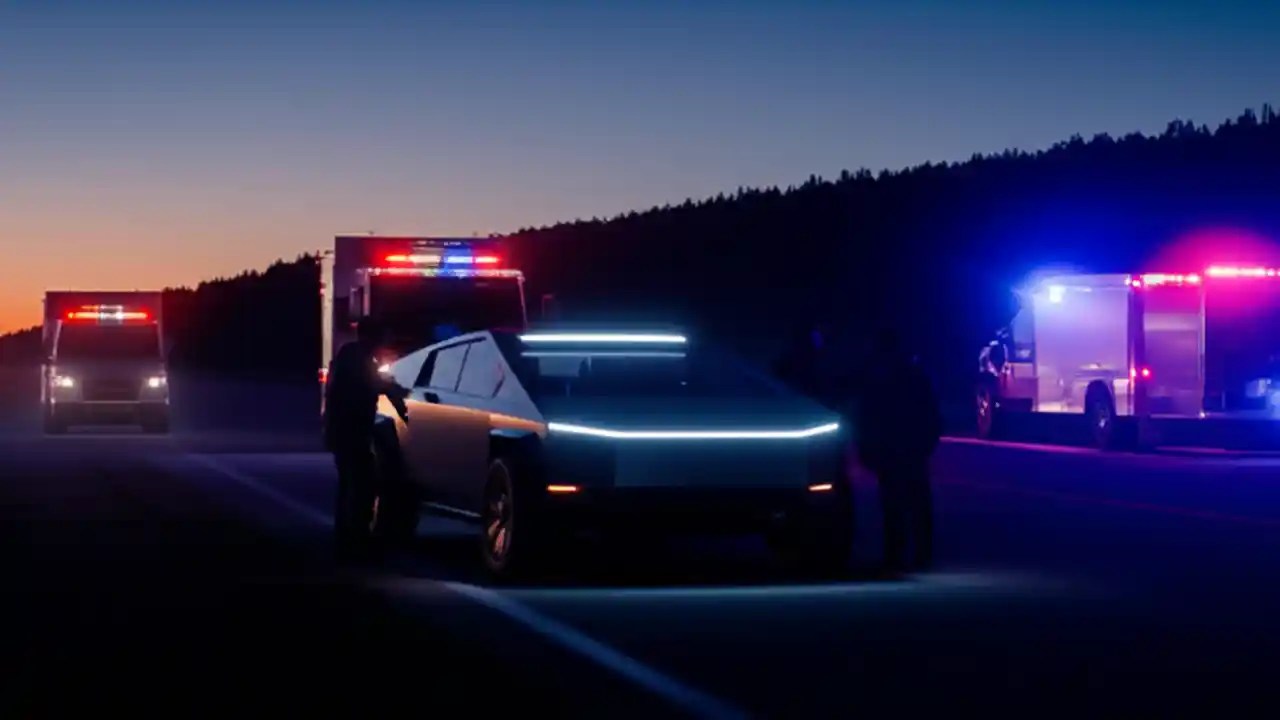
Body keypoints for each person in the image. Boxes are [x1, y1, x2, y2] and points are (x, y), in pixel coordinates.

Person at [853, 327, 942, 574]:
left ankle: (897, 553)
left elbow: (867, 416)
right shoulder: (915, 377)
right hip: (909, 448)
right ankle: (919, 553)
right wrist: (926, 443)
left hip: (892, 449)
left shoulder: (878, 380)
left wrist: (867, 448)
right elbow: (931, 414)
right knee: (916, 503)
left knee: (894, 504)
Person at [324, 317, 410, 560]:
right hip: (350, 431)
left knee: (350, 484)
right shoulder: (358, 358)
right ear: (372, 336)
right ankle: (356, 540)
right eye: (383, 336)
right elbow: (376, 385)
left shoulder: (351, 354)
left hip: (344, 430)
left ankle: (346, 538)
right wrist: (400, 398)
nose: (386, 341)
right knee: (363, 484)